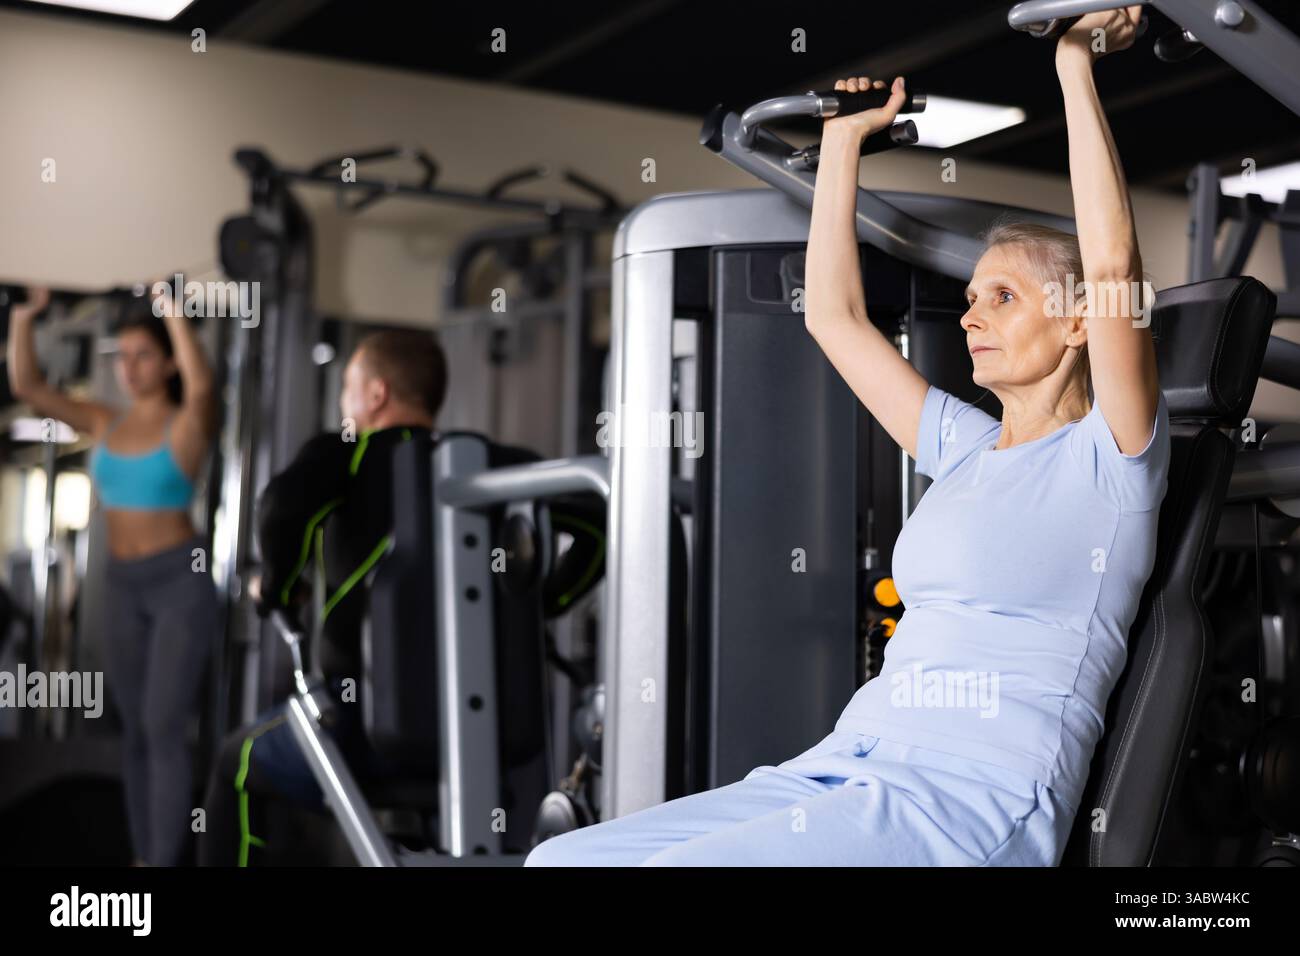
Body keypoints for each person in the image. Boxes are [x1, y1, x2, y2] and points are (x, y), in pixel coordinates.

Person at [527, 6, 1168, 866]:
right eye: (972, 297)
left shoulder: (1112, 460)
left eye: (1003, 297)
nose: (973, 314)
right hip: (847, 768)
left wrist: (1073, 63)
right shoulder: (968, 451)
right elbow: (834, 318)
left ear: (1080, 322)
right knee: (561, 861)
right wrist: (841, 143)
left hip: (968, 801)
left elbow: (1116, 268)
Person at [197, 328, 449, 866]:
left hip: (363, 730)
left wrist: (280, 589)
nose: (343, 404)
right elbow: (589, 524)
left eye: (347, 389)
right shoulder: (477, 464)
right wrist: (547, 598)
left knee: (235, 763)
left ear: (375, 394)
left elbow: (280, 507)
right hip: (476, 736)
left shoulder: (349, 455)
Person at [7, 284, 219, 866]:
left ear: (169, 362)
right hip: (121, 583)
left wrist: (171, 309)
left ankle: (166, 862)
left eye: (143, 355)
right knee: (133, 731)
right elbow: (28, 386)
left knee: (161, 725)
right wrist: (24, 316)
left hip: (180, 581)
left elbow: (202, 383)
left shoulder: (187, 422)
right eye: (121, 356)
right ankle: (145, 860)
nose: (128, 367)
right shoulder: (105, 421)